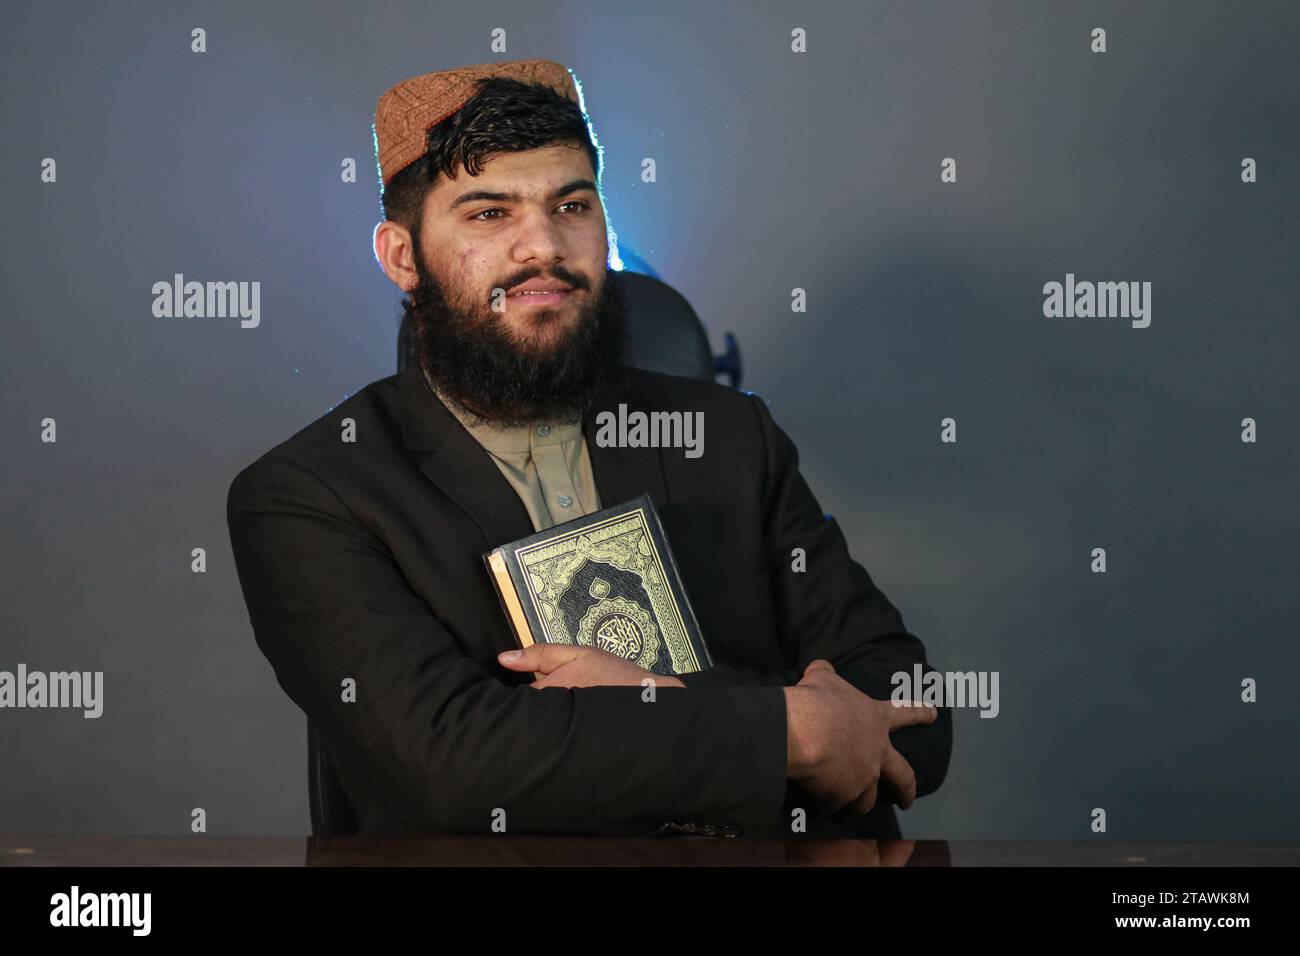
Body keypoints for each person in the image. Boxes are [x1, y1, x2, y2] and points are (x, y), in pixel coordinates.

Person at [226, 58, 952, 838]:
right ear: (403, 258)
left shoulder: (730, 438)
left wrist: (666, 699)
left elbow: (914, 714)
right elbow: (455, 766)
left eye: (571, 204)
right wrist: (792, 730)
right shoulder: (310, 494)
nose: (543, 246)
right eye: (488, 214)